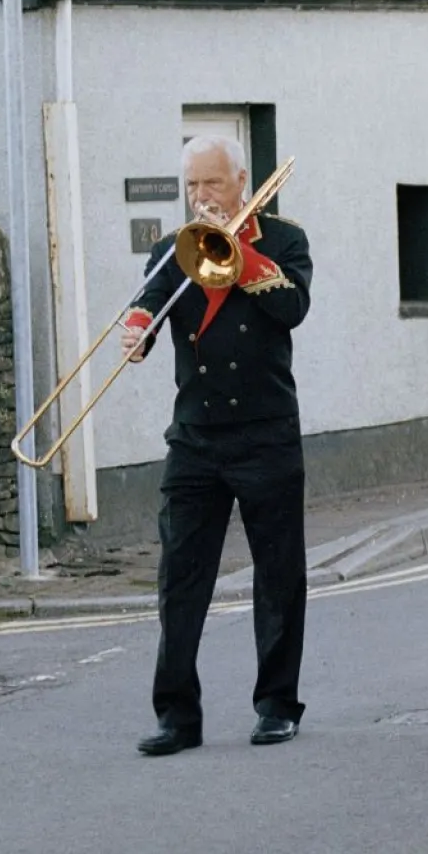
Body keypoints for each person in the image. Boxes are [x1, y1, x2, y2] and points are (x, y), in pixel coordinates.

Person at [117, 135, 313, 756]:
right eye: (192, 186)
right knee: (180, 578)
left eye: (213, 184)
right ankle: (177, 716)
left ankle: (277, 704)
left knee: (278, 575)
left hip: (265, 433)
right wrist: (137, 332)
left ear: (242, 181)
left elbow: (292, 306)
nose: (202, 198)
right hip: (196, 437)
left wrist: (239, 251)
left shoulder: (283, 241)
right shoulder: (171, 250)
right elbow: (146, 305)